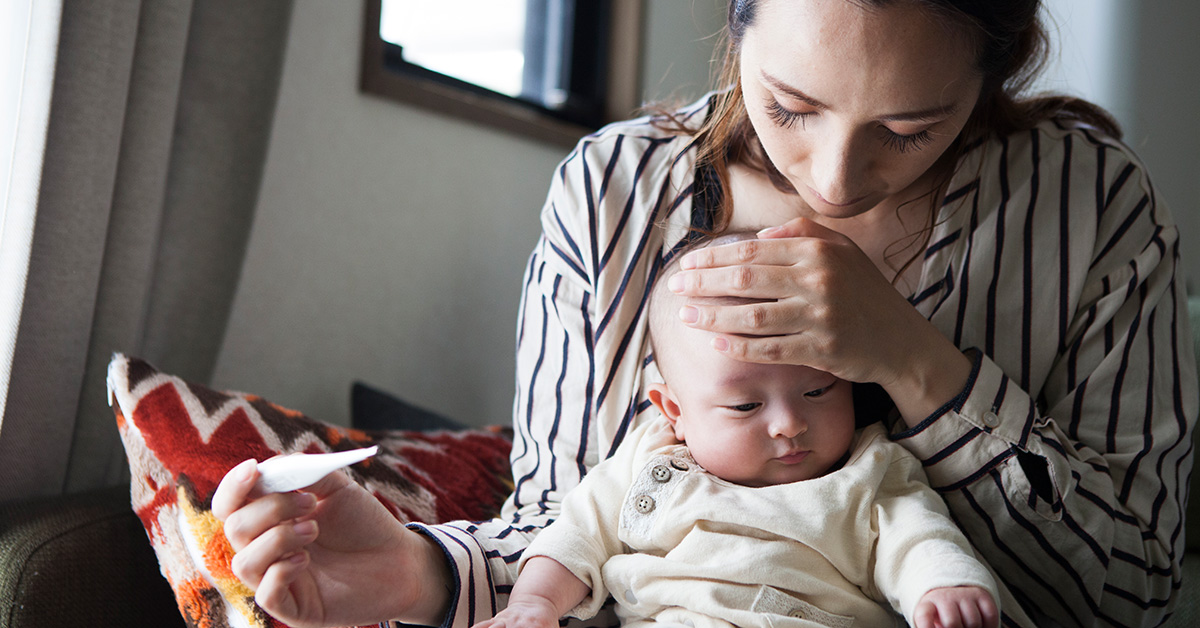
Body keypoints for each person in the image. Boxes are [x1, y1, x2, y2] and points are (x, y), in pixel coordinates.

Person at [212, 1, 1197, 627]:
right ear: (737, 24)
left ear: (993, 74)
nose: (834, 179)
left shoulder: (1092, 211)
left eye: (909, 130)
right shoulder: (611, 195)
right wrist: (412, 572)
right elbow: (567, 533)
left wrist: (912, 362)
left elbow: (1135, 595)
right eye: (792, 105)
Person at [470, 235, 1003, 628]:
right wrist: (535, 603)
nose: (789, 423)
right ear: (674, 410)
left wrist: (944, 587)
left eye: (819, 390)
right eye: (746, 405)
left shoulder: (870, 472)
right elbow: (575, 534)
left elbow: (919, 537)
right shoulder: (647, 462)